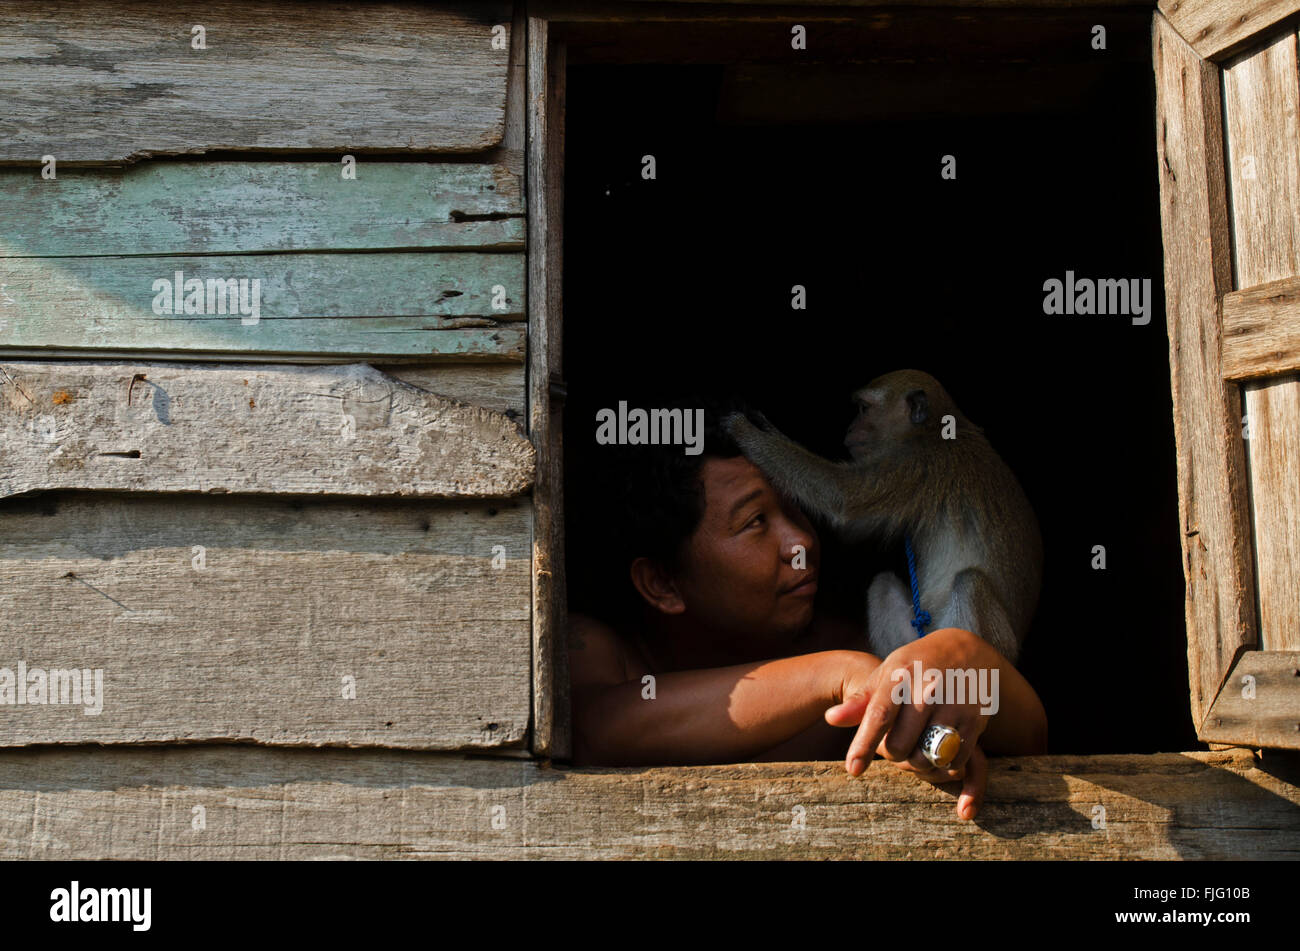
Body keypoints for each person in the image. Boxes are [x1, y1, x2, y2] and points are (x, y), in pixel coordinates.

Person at [567, 397, 1048, 820]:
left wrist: (968, 656)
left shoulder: (871, 653)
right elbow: (592, 729)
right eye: (756, 521)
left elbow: (1032, 739)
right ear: (661, 583)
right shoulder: (600, 649)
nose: (801, 542)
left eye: (797, 508)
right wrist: (834, 675)